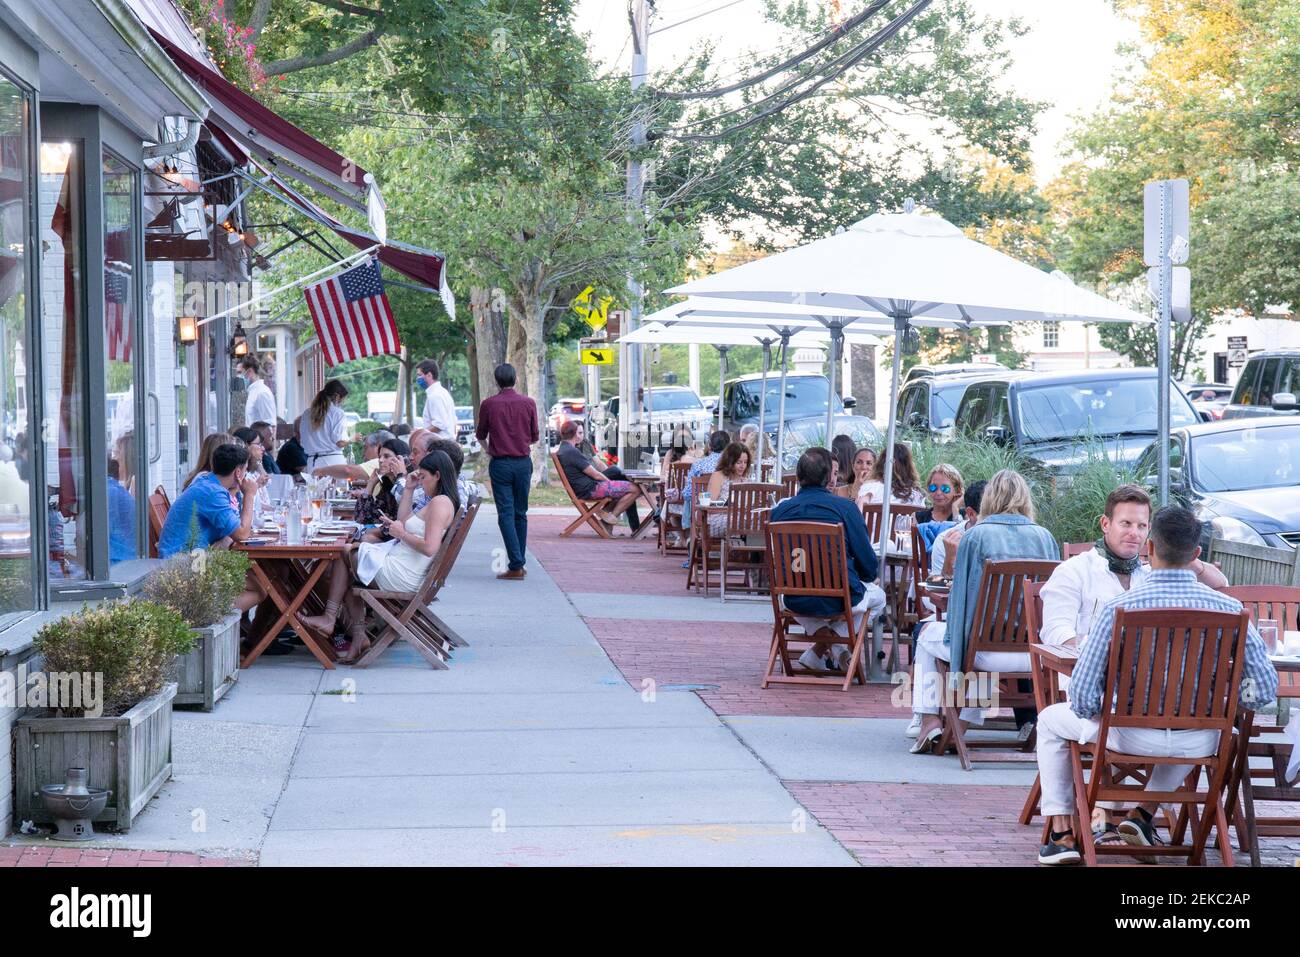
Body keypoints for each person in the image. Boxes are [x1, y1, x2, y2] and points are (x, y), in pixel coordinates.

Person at [1035, 505, 1278, 865]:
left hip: (1129, 733)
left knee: (1051, 721)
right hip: (1201, 738)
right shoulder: (1231, 611)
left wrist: (1102, 713)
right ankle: (1143, 814)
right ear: (1197, 555)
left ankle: (1061, 834)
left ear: (1150, 549)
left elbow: (1083, 694)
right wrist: (1228, 705)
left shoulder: (1119, 608)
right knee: (1202, 730)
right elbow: (1264, 688)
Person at [908, 469, 1059, 751]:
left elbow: (964, 602)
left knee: (929, 635)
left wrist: (948, 610)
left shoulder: (975, 537)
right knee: (973, 633)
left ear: (989, 499)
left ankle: (929, 721)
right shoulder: (1045, 538)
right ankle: (960, 726)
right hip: (1033, 654)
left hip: (985, 652)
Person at [300, 451, 460, 663]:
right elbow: (404, 520)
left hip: (402, 575)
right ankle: (355, 635)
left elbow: (430, 547)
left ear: (437, 475)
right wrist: (409, 489)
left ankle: (333, 620)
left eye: (422, 477)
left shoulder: (440, 502)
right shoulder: (437, 500)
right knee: (348, 559)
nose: (420, 481)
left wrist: (401, 534)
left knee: (344, 552)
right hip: (401, 566)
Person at [1039, 484, 1227, 652]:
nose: (1134, 533)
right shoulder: (1073, 571)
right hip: (1085, 681)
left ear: (1149, 530)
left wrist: (1184, 554)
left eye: (1141, 526)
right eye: (1126, 523)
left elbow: (1220, 584)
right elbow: (1056, 632)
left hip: (1140, 684)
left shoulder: (1152, 574)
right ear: (1105, 524)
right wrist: (1101, 657)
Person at [770, 447, 885, 673]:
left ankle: (819, 650)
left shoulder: (779, 512)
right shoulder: (846, 509)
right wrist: (868, 577)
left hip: (794, 596)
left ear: (798, 476)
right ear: (828, 477)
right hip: (840, 597)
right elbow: (868, 566)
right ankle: (837, 648)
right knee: (878, 598)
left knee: (788, 599)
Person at [475, 362, 538, 580]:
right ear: (516, 379)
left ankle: (516, 563)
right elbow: (534, 436)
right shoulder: (528, 403)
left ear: (496, 381)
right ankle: (518, 562)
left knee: (506, 513)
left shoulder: (488, 405)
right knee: (521, 512)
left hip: (500, 463)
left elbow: (480, 434)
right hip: (523, 462)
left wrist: (491, 450)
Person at [157, 443, 257, 560]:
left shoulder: (208, 483)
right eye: (245, 470)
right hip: (180, 563)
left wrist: (228, 538)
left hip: (188, 557)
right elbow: (242, 534)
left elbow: (236, 528)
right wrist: (249, 495)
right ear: (238, 473)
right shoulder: (212, 493)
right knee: (252, 570)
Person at [556, 420, 644, 532]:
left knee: (622, 483)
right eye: (579, 433)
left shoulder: (565, 449)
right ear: (574, 434)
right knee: (636, 489)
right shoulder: (572, 452)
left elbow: (596, 469)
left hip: (585, 487)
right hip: (590, 489)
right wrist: (610, 483)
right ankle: (609, 518)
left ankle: (607, 513)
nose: (581, 435)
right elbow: (596, 475)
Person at [929, 480, 985, 579]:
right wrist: (949, 560)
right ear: (971, 514)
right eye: (989, 515)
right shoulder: (946, 540)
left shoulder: (1002, 539)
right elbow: (938, 590)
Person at [314, 429, 394, 484]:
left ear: (378, 446)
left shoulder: (379, 462)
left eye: (365, 448)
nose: (363, 453)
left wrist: (321, 471)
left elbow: (348, 470)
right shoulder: (391, 461)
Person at [705, 442, 750, 538]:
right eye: (739, 462)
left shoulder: (745, 480)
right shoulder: (719, 476)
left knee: (763, 522)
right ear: (730, 462)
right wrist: (729, 508)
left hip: (740, 518)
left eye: (745, 462)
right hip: (719, 518)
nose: (742, 466)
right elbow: (709, 505)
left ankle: (754, 552)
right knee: (746, 523)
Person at [106, 456, 136, 564]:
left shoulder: (109, 491)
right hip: (130, 555)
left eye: (118, 452)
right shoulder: (119, 490)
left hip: (117, 561)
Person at [418, 358, 458, 439]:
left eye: (419, 375)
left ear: (429, 375)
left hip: (440, 444)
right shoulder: (443, 392)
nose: (418, 378)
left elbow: (439, 425)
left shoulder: (435, 395)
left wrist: (419, 434)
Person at [237, 355, 277, 430]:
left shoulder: (262, 393)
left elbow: (271, 426)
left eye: (240, 372)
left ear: (250, 371)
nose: (238, 376)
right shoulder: (253, 392)